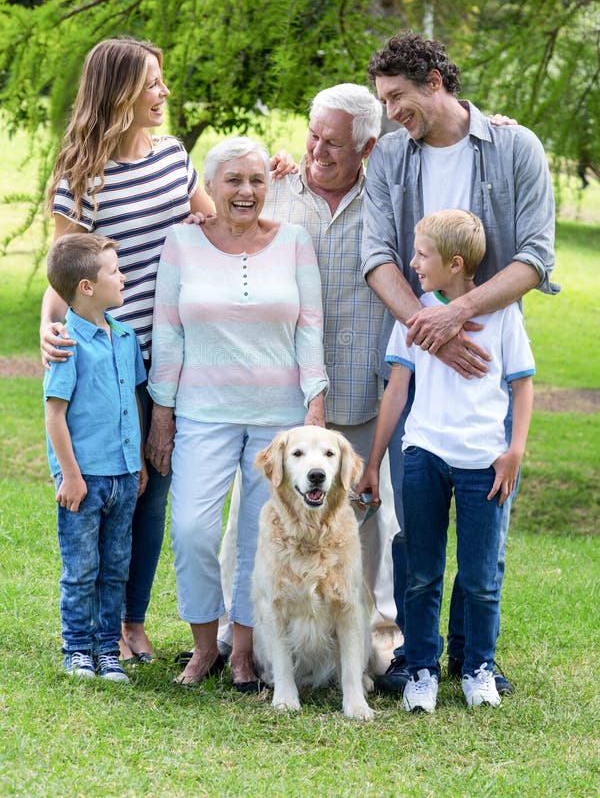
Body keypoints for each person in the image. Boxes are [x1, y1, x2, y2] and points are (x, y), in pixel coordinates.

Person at [39, 36, 294, 664]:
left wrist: (271, 184)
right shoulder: (79, 177)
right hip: (107, 360)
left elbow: (220, 223)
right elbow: (63, 269)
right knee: (115, 488)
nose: (164, 93)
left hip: (172, 359)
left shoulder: (175, 157)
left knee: (154, 491)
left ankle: (129, 620)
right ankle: (98, 624)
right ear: (121, 90)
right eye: (154, 82)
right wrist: (49, 327)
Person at [361, 31, 558, 694]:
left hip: (486, 353)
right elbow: (377, 256)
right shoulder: (390, 158)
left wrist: (459, 312)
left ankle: (474, 654)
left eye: (397, 97)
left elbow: (535, 257)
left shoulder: (515, 147)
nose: (391, 113)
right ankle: (416, 655)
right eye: (383, 100)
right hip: (419, 350)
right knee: (413, 509)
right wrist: (430, 326)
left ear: (434, 81)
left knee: (483, 518)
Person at [218, 83, 403, 665]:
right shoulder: (274, 191)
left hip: (359, 390)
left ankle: (372, 642)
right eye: (312, 136)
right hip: (281, 395)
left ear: (368, 146)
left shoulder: (388, 202)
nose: (317, 151)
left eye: (334, 144)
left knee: (367, 522)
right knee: (254, 517)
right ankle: (238, 636)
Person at [146, 136, 328, 691]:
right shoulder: (182, 242)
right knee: (194, 530)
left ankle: (244, 651)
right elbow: (168, 332)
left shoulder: (294, 241)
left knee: (261, 536)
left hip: (279, 418)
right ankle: (205, 647)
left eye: (256, 180)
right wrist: (162, 414)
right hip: (203, 412)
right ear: (211, 187)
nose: (246, 192)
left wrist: (314, 412)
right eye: (233, 181)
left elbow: (310, 328)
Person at [358, 209, 534, 712]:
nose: (412, 263)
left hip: (485, 463)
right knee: (421, 572)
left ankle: (478, 667)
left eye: (421, 255)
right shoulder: (416, 316)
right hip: (424, 457)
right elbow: (397, 391)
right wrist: (373, 463)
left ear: (455, 263)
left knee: (480, 577)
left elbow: (522, 387)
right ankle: (421, 670)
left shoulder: (503, 315)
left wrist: (514, 452)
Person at [44, 233, 147, 683]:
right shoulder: (67, 343)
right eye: (114, 271)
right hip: (83, 480)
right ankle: (77, 650)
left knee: (114, 567)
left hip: (123, 476)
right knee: (82, 569)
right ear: (87, 286)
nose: (123, 276)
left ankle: (108, 651)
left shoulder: (125, 337)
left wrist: (138, 462)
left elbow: (134, 402)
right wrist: (70, 475)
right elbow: (55, 416)